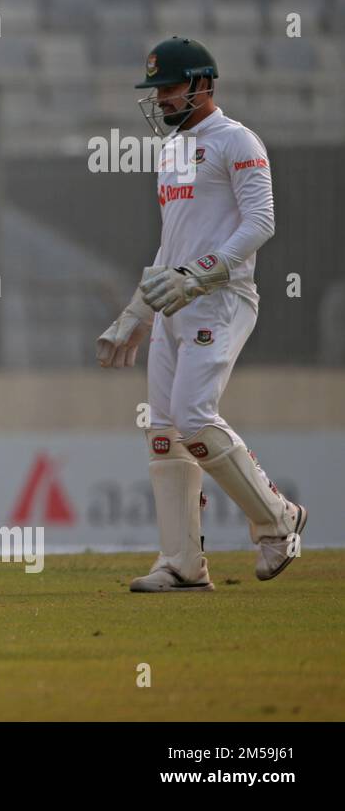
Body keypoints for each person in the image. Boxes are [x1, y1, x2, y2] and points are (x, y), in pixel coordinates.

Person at [97, 36, 307, 592]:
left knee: (193, 418)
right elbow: (173, 245)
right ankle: (182, 564)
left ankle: (278, 518)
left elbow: (261, 222)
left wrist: (202, 273)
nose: (160, 99)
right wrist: (137, 311)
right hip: (174, 305)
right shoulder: (172, 152)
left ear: (201, 84)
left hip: (221, 297)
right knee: (163, 432)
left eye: (168, 87)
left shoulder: (237, 141)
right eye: (156, 90)